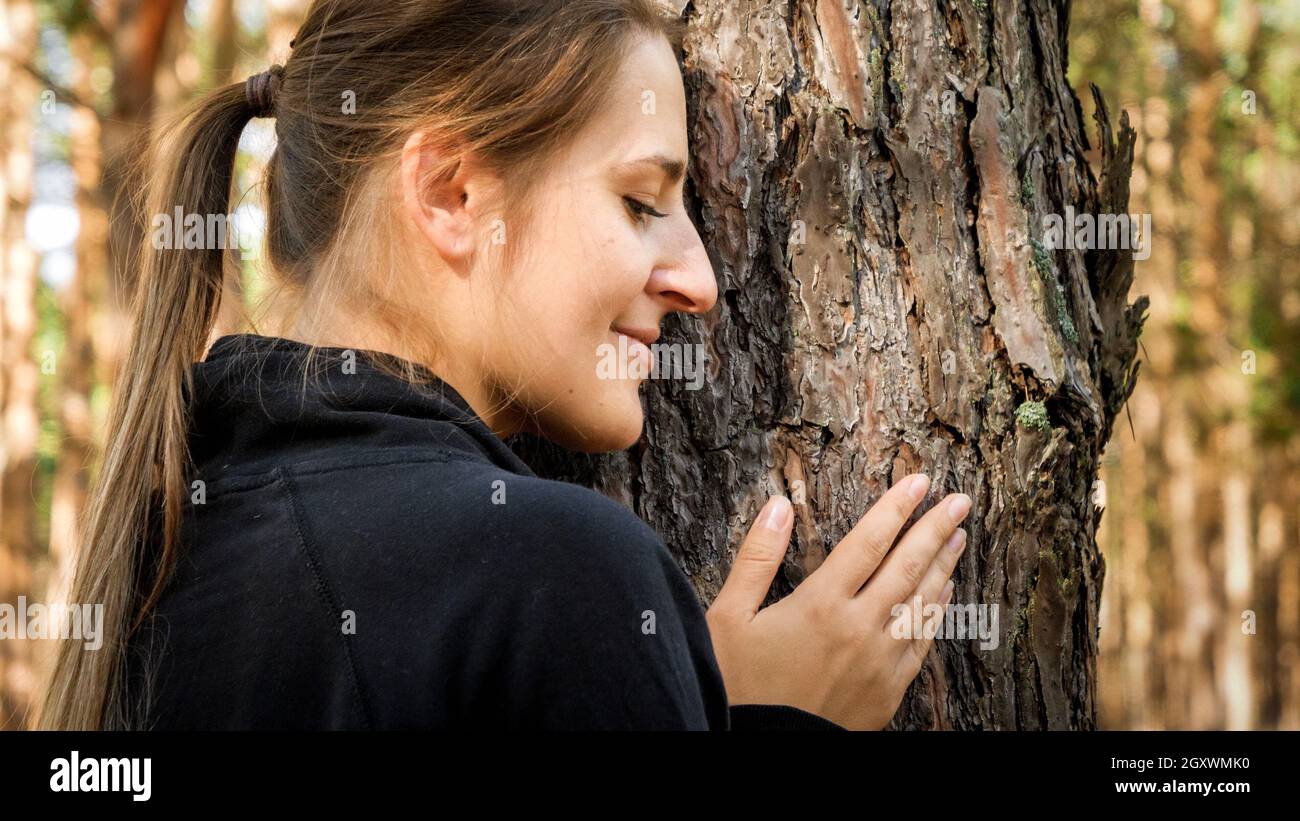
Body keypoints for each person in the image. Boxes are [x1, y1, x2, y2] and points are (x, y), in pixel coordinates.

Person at [36, 0, 970, 731]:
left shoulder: (164, 542)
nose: (701, 281)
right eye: (642, 201)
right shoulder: (556, 578)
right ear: (451, 193)